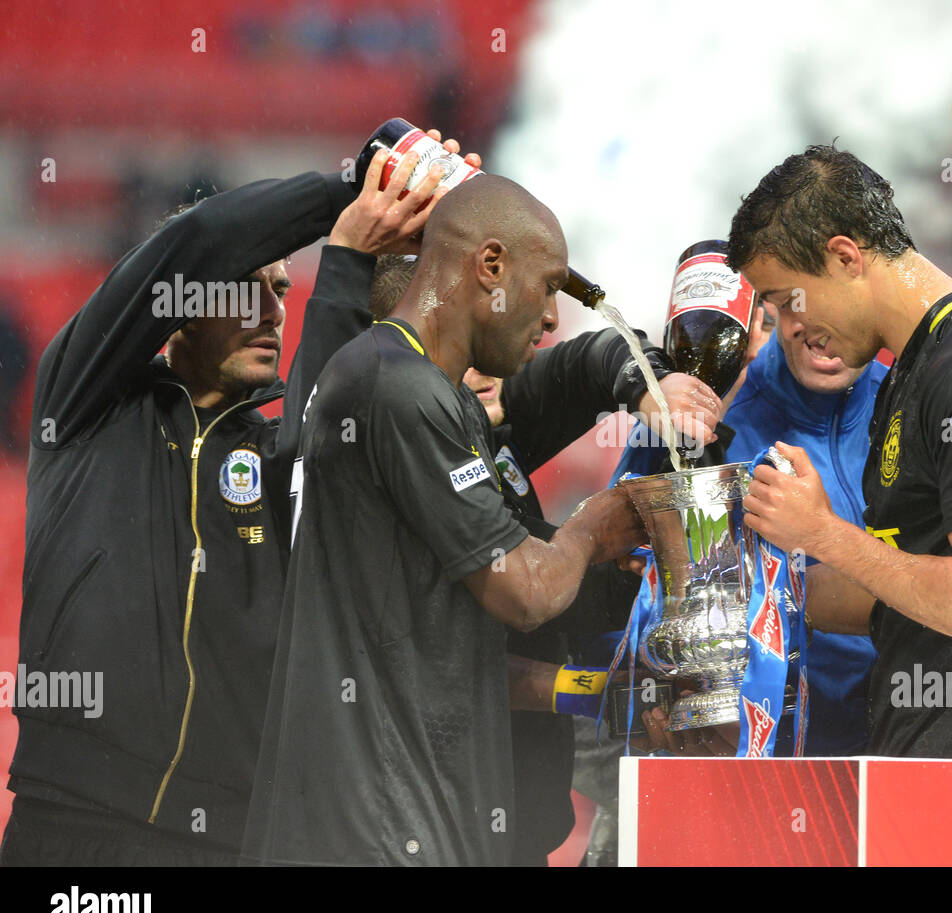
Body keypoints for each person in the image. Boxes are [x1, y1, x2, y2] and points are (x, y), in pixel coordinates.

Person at [0, 139, 449, 866]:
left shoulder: (280, 454)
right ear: (177, 309)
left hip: (224, 841)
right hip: (67, 824)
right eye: (248, 286)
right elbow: (199, 239)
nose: (273, 310)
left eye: (282, 290)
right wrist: (358, 178)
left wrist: (372, 250)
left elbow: (330, 430)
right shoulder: (84, 402)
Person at [243, 175, 648, 866]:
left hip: (409, 816)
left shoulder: (418, 391)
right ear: (489, 265)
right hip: (377, 829)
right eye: (546, 285)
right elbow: (524, 589)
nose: (551, 316)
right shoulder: (395, 386)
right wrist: (597, 526)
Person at [737, 145, 952, 760]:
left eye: (785, 298)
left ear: (845, 256)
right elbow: (904, 591)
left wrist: (824, 533)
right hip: (939, 769)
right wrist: (751, 589)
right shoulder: (920, 369)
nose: (789, 325)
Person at [366, 254, 720, 865]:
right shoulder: (404, 455)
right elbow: (502, 611)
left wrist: (647, 384)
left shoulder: (482, 416)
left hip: (506, 819)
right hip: (427, 821)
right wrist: (585, 540)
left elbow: (596, 355)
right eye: (463, 349)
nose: (483, 371)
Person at [620, 298, 889, 757]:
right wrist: (663, 693)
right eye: (796, 300)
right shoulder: (706, 411)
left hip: (903, 746)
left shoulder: (912, 402)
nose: (818, 325)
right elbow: (629, 582)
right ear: (770, 302)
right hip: (749, 752)